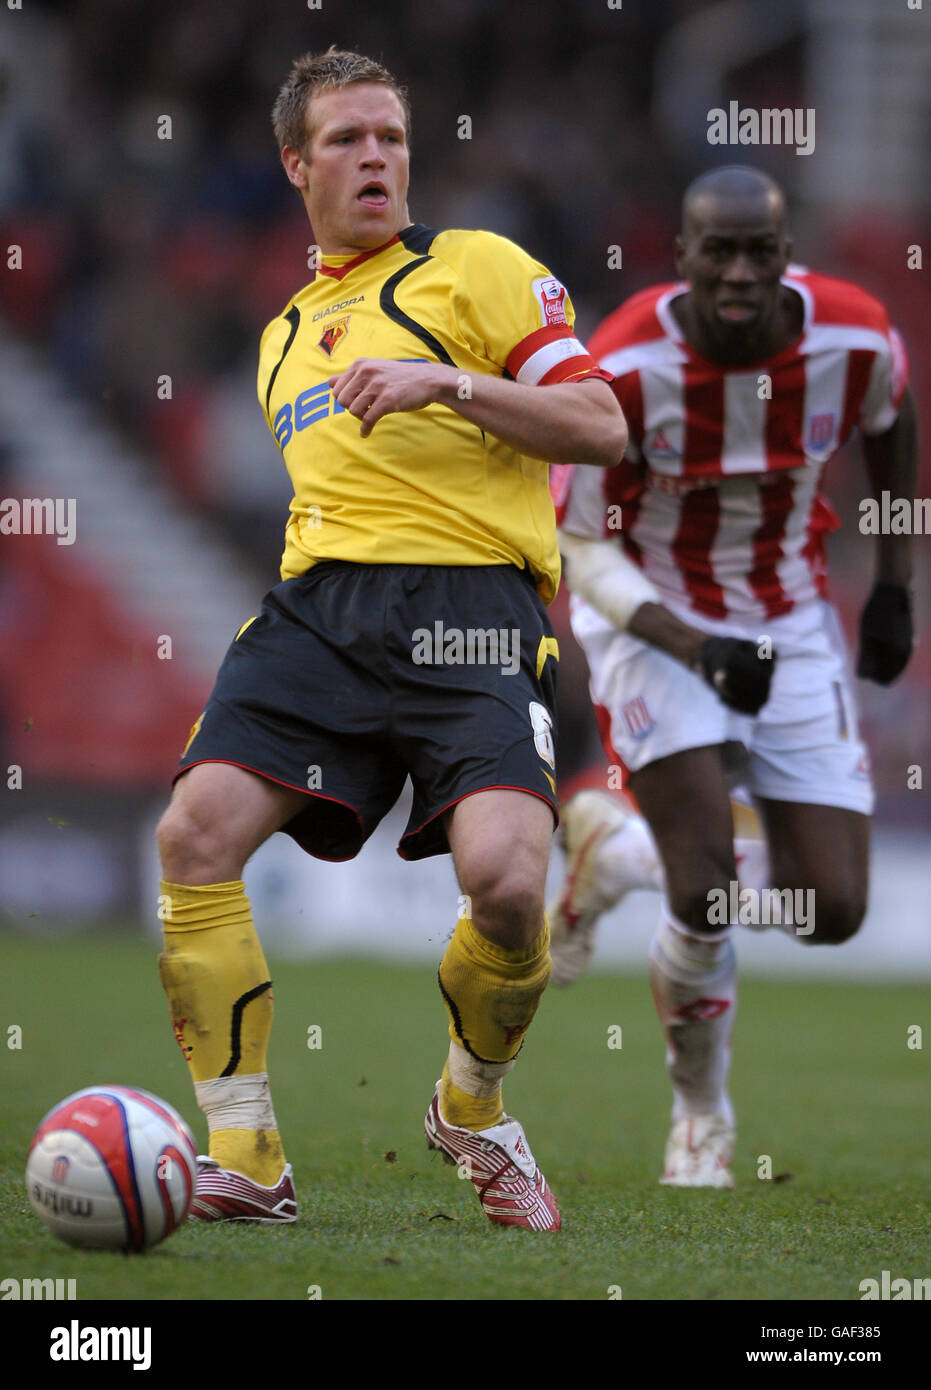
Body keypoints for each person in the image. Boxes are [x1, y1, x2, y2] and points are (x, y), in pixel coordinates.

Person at [154, 47, 627, 1231]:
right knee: (194, 832)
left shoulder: (479, 271)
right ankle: (248, 1153)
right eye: (348, 140)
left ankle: (471, 1108)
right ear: (294, 165)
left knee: (510, 884)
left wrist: (446, 385)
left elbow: (600, 422)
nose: (376, 157)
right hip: (322, 610)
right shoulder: (280, 340)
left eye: (391, 138)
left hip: (474, 611)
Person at [547, 165, 916, 1187]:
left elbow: (892, 418)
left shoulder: (852, 336)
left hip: (789, 617)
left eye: (763, 249)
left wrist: (892, 581)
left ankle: (618, 854)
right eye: (722, 251)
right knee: (706, 893)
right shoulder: (620, 364)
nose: (743, 271)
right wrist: (692, 645)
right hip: (650, 612)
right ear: (684, 257)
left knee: (831, 909)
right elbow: (578, 543)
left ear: (785, 251)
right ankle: (699, 1114)